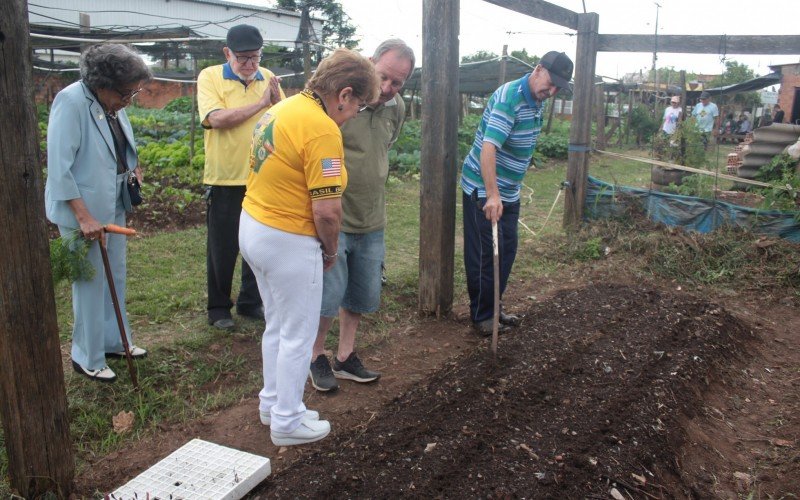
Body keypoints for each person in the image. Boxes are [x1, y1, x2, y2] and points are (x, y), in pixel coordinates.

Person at [239, 48, 379, 445]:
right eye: (359, 106)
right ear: (345, 94)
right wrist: (331, 252)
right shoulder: (321, 128)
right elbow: (328, 212)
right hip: (286, 237)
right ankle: (287, 420)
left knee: (277, 326)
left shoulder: (284, 109)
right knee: (298, 335)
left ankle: (272, 403)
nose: (354, 114)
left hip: (254, 226)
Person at [309, 40, 415, 393]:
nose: (387, 89)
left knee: (359, 292)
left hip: (373, 218)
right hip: (335, 216)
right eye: (383, 77)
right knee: (328, 294)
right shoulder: (340, 101)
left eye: (397, 83)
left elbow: (384, 148)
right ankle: (316, 355)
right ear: (370, 64)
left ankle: (345, 356)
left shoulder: (395, 108)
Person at [45, 44, 152, 382]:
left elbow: (116, 144)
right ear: (102, 83)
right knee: (90, 284)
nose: (129, 100)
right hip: (85, 214)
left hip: (113, 204)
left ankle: (114, 341)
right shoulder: (71, 101)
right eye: (126, 93)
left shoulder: (111, 102)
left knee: (114, 276)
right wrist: (83, 216)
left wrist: (132, 168)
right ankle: (86, 356)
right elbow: (60, 168)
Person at [461, 50, 573, 336]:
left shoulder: (536, 98)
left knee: (506, 250)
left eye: (558, 87)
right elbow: (489, 149)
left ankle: (493, 307)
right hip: (484, 188)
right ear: (538, 69)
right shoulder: (509, 98)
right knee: (486, 253)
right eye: (551, 82)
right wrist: (492, 194)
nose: (553, 90)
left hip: (509, 190)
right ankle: (482, 316)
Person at [197, 24, 284, 330]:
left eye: (255, 58)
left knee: (256, 245)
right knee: (222, 247)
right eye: (243, 58)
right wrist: (261, 104)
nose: (250, 65)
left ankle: (250, 300)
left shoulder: (269, 78)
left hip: (261, 179)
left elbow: (283, 118)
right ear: (227, 53)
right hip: (225, 179)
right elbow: (216, 119)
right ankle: (218, 307)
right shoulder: (210, 77)